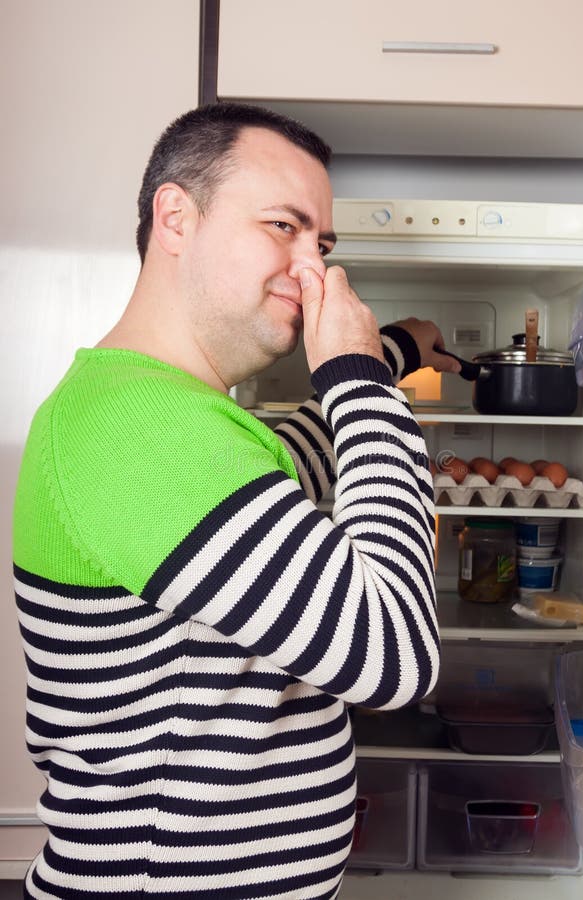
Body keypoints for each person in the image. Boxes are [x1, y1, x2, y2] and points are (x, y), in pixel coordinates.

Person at [13, 102, 460, 899]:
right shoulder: (136, 428)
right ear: (176, 216)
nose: (313, 269)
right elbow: (394, 656)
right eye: (282, 227)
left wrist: (390, 350)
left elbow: (297, 460)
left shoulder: (172, 415)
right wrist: (358, 382)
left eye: (320, 244)